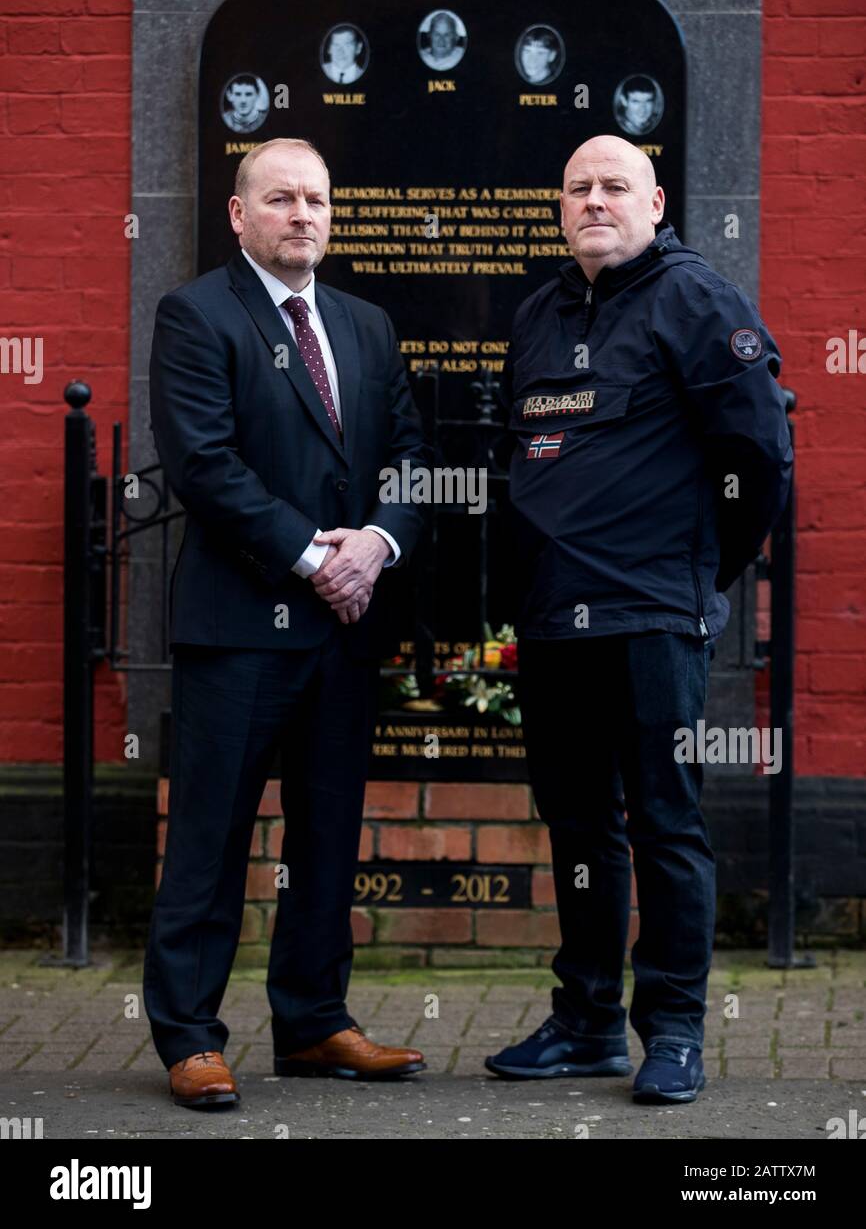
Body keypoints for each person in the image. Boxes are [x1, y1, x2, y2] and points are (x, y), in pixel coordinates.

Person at [486, 135, 792, 1103]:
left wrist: (702, 572)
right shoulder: (536, 314)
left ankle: (671, 1031)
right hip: (551, 623)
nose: (592, 200)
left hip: (652, 615)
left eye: (613, 185)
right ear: (558, 206)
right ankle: (582, 1022)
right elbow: (518, 467)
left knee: (663, 822)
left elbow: (758, 455)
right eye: (575, 187)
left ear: (654, 202)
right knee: (578, 827)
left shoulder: (693, 299)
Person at [144, 137, 432, 1108]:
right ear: (239, 215)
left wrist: (379, 545)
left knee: (325, 839)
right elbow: (206, 467)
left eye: (315, 198)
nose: (301, 214)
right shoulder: (195, 315)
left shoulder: (366, 325)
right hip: (238, 630)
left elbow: (408, 456)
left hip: (339, 636)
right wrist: (319, 557)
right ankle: (188, 1036)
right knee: (212, 840)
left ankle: (312, 1023)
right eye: (280, 198)